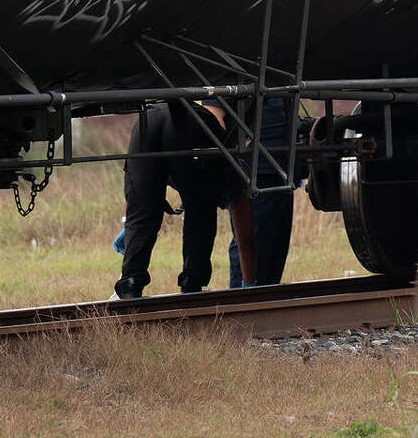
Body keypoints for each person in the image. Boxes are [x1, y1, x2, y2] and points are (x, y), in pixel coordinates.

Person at [114, 100, 256, 299]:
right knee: (200, 209)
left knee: (143, 213)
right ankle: (192, 284)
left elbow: (140, 201)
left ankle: (130, 284)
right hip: (192, 121)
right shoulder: (235, 166)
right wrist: (250, 284)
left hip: (149, 117)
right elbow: (245, 234)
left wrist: (133, 224)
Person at [226, 95, 301, 289]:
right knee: (250, 247)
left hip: (282, 173)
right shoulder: (228, 83)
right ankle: (242, 300)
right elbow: (215, 116)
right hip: (254, 174)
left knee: (274, 253)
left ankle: (264, 301)